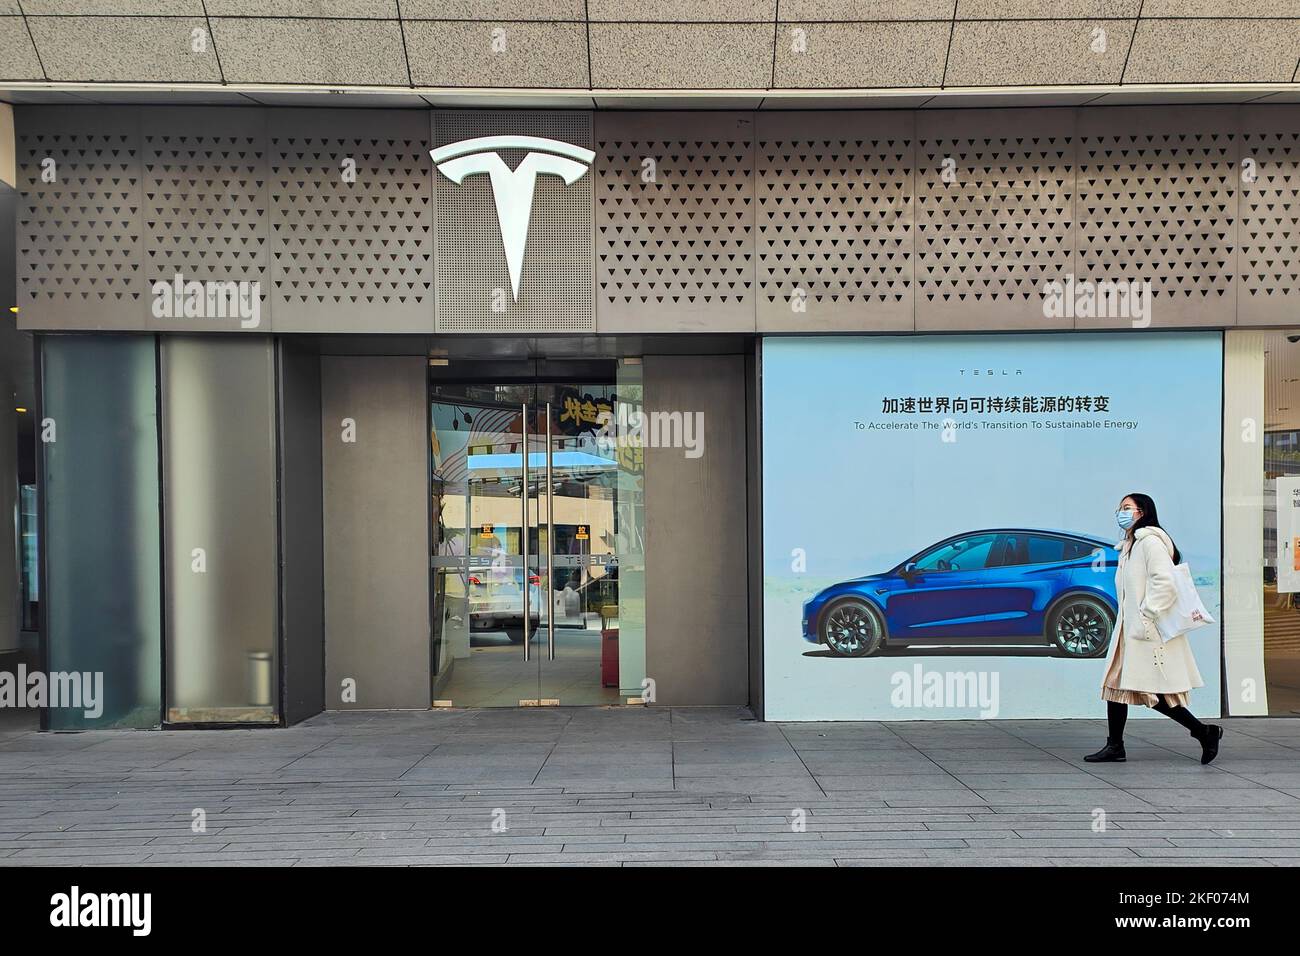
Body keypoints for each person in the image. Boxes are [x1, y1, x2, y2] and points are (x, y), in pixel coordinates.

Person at [1085, 493, 1223, 764]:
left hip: (1146, 630)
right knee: (1116, 684)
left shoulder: (1150, 543)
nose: (1120, 512)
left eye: (1127, 508)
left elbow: (1165, 583)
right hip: (1130, 628)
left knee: (1153, 692)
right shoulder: (1130, 545)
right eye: (1119, 508)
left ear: (1142, 512)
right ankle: (1116, 746)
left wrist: (1147, 613)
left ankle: (1204, 731)